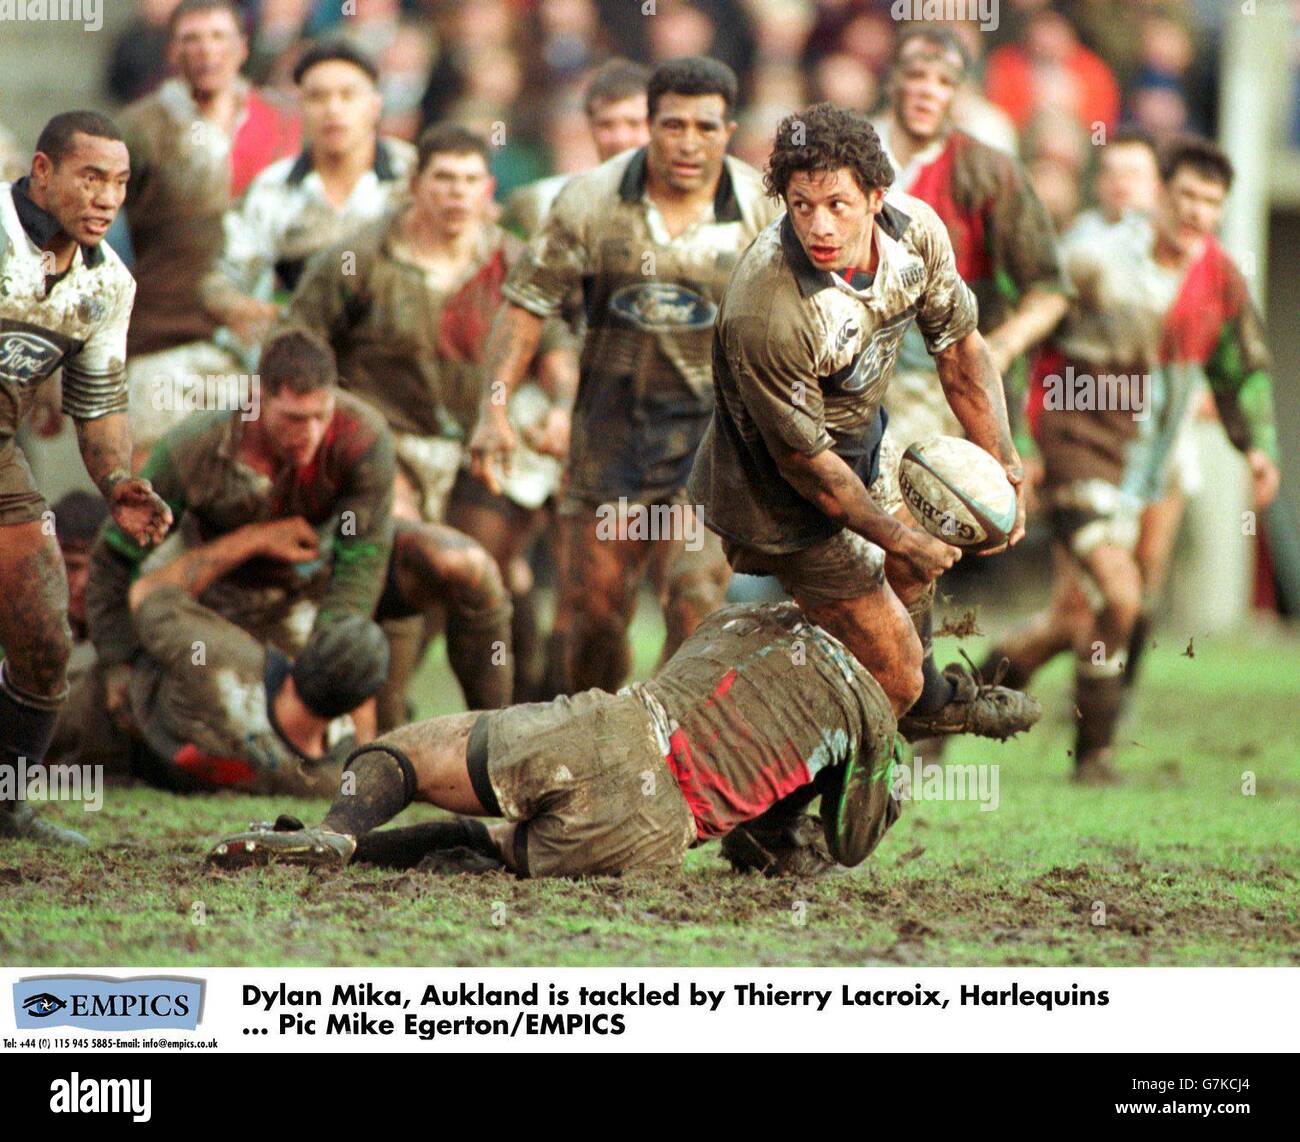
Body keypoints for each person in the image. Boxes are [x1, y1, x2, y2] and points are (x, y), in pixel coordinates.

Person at [685, 102, 1035, 743]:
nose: (818, 224)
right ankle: (783, 820)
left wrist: (1004, 465)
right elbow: (808, 471)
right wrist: (900, 538)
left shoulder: (918, 234)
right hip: (778, 495)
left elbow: (959, 351)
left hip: (859, 449)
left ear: (877, 196)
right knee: (893, 673)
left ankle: (908, 695)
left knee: (904, 590)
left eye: (837, 204)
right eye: (800, 205)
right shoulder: (769, 306)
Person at [469, 56, 781, 694]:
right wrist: (492, 408)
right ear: (650, 124)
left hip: (712, 442)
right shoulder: (589, 199)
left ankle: (663, 746)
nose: (688, 143)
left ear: (728, 129)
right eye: (672, 125)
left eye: (705, 126)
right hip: (610, 436)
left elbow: (794, 322)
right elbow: (527, 303)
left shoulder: (761, 210)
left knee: (695, 595)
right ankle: (598, 738)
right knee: (593, 623)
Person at [207, 601, 900, 880]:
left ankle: (338, 833)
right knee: (499, 849)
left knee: (411, 754)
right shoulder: (873, 717)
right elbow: (849, 842)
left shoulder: (748, 616)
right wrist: (875, 785)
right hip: (659, 826)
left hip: (613, 726)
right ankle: (358, 859)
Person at [991, 136, 1281, 784]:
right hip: (1082, 447)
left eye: (1212, 203)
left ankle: (988, 692)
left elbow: (1242, 370)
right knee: (1112, 596)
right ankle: (1094, 751)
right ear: (1161, 196)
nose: (1197, 213)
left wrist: (1258, 447)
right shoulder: (1092, 261)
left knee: (1110, 608)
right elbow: (1027, 342)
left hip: (1155, 460)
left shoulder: (1219, 277)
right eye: (1186, 196)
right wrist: (1023, 445)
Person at [85, 328, 511, 746]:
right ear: (258, 398)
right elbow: (115, 556)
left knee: (464, 564)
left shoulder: (360, 435)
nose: (309, 432)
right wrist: (117, 661)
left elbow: (362, 559)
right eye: (293, 419)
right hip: (229, 607)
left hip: (324, 586)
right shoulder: (195, 448)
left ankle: (492, 744)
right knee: (169, 730)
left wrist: (326, 667)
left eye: (319, 416)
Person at [287, 124, 533, 725]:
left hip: (479, 442)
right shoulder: (358, 258)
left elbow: (552, 345)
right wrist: (335, 427)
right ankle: (389, 729)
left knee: (475, 573)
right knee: (405, 569)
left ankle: (490, 738)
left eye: (470, 180)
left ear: (488, 191)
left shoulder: (514, 261)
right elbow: (297, 344)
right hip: (384, 442)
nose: (456, 194)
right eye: (443, 179)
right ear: (414, 186)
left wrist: (555, 407)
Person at [0, 112, 172, 846]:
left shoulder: (108, 285)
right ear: (43, 172)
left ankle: (5, 807)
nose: (107, 197)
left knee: (43, 628)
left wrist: (118, 482)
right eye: (90, 177)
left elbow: (99, 405)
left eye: (121, 183)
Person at [119, 0, 302, 468]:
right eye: (192, 39)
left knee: (251, 488)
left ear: (243, 47)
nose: (207, 51)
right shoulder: (138, 128)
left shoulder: (285, 125)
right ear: (171, 51)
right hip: (165, 335)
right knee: (153, 483)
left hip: (262, 346)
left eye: (219, 37)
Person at [872, 27, 1069, 454]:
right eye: (917, 75)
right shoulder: (849, 157)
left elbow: (1049, 291)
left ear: (962, 94)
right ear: (892, 80)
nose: (928, 91)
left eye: (944, 82)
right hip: (848, 373)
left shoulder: (988, 173)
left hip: (940, 378)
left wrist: (1001, 346)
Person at [201, 40, 415, 355]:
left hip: (397, 349)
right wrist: (250, 311)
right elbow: (222, 278)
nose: (333, 109)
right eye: (318, 97)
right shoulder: (272, 188)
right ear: (300, 105)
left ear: (375, 104)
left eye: (348, 95)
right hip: (300, 354)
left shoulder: (414, 179)